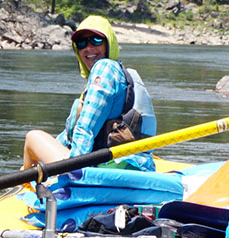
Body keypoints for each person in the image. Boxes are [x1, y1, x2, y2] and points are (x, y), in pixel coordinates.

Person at [22, 15, 157, 171]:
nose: (88, 47)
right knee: (42, 146)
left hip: (103, 168)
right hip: (129, 163)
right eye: (81, 43)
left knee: (33, 138)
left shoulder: (104, 68)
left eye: (96, 40)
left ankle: (27, 189)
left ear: (109, 44)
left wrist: (72, 170)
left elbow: (86, 129)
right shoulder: (120, 72)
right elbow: (68, 136)